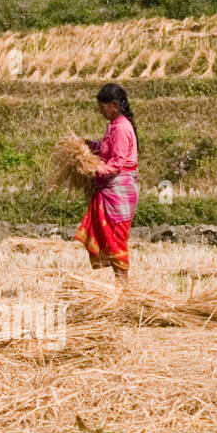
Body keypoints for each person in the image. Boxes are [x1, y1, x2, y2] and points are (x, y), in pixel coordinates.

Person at [74, 82, 139, 283]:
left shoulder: (121, 128)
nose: (101, 111)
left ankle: (124, 287)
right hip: (112, 192)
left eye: (102, 108)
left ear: (113, 105)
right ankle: (121, 284)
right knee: (112, 239)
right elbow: (107, 148)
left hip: (118, 193)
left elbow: (117, 163)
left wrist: (93, 170)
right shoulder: (115, 125)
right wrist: (89, 145)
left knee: (116, 239)